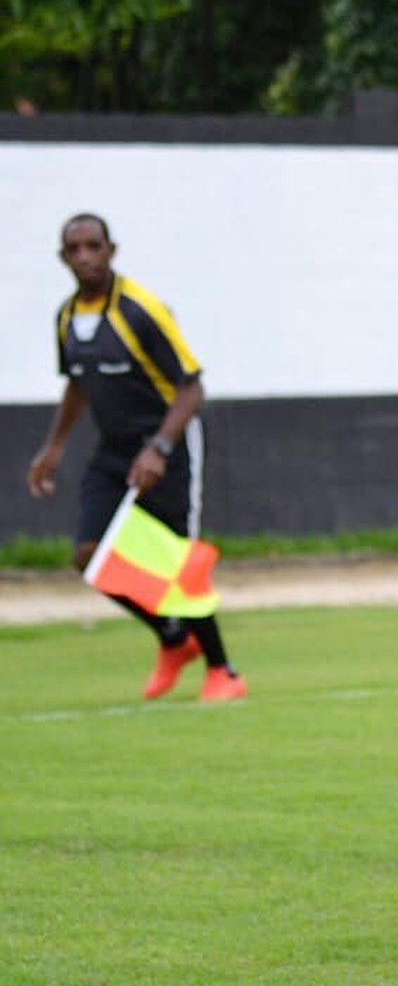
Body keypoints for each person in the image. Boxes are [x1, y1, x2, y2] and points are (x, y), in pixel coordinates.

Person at [27, 213, 247, 703]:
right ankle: (172, 640)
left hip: (168, 443)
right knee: (90, 555)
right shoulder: (67, 318)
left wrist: (160, 448)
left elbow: (192, 389)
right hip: (114, 450)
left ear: (111, 250)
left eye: (94, 246)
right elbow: (78, 384)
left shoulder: (140, 310)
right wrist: (55, 446)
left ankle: (223, 671)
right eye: (75, 249)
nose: (85, 256)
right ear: (63, 258)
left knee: (174, 560)